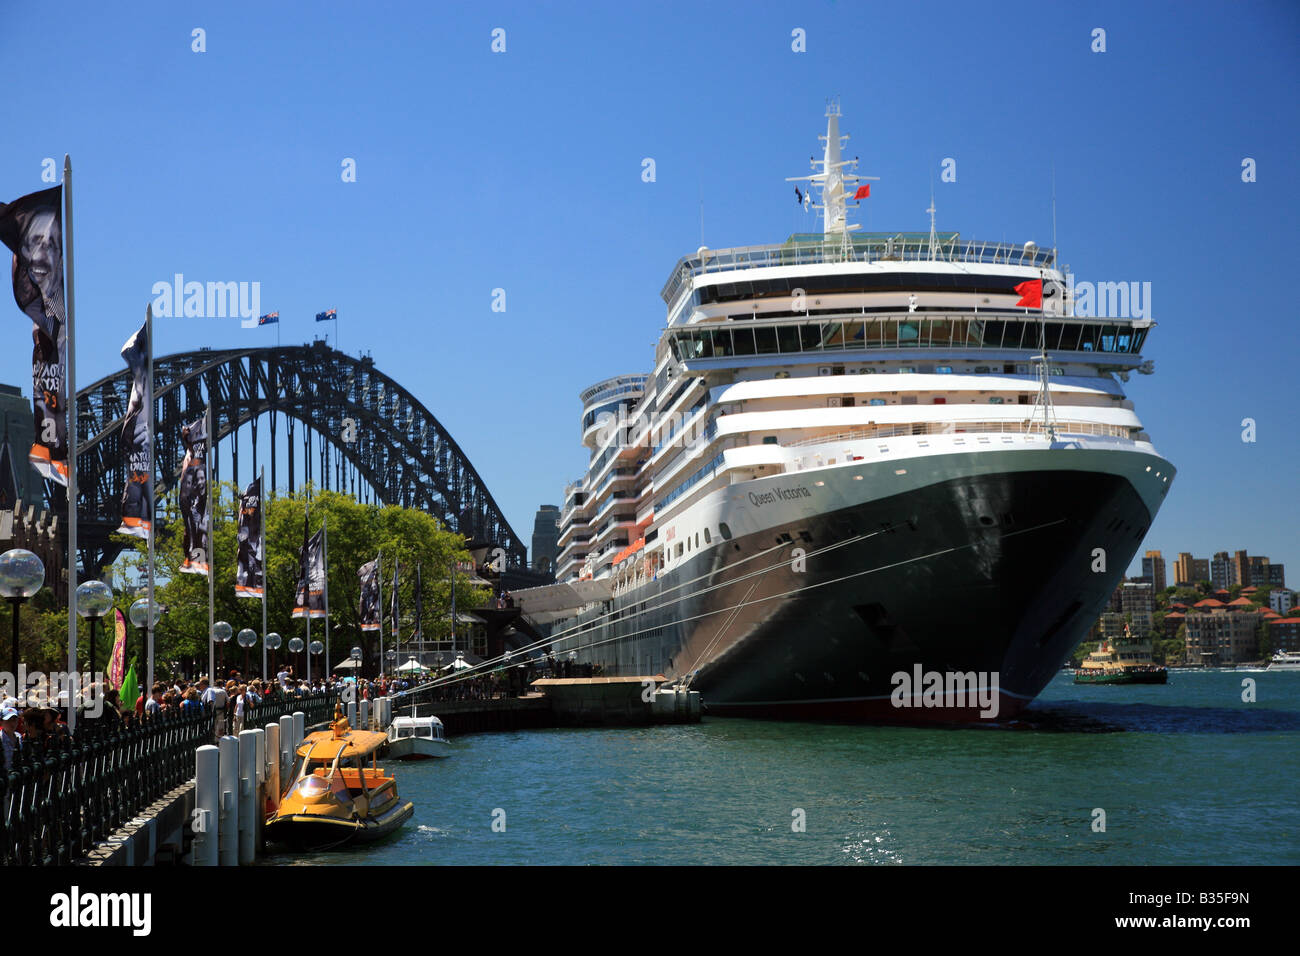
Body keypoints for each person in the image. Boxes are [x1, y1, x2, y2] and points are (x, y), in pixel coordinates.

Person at [1, 706, 21, 771]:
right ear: (1, 722)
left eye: (14, 720)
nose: (12, 723)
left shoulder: (19, 737)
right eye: (8, 720)